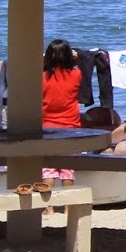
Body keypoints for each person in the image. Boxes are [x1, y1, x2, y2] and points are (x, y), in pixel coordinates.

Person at [41, 38, 83, 193]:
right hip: (70, 127)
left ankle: (48, 208)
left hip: (47, 127)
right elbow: (77, 59)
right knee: (67, 169)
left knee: (48, 169)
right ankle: (67, 207)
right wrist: (73, 55)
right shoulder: (76, 74)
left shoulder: (42, 77)